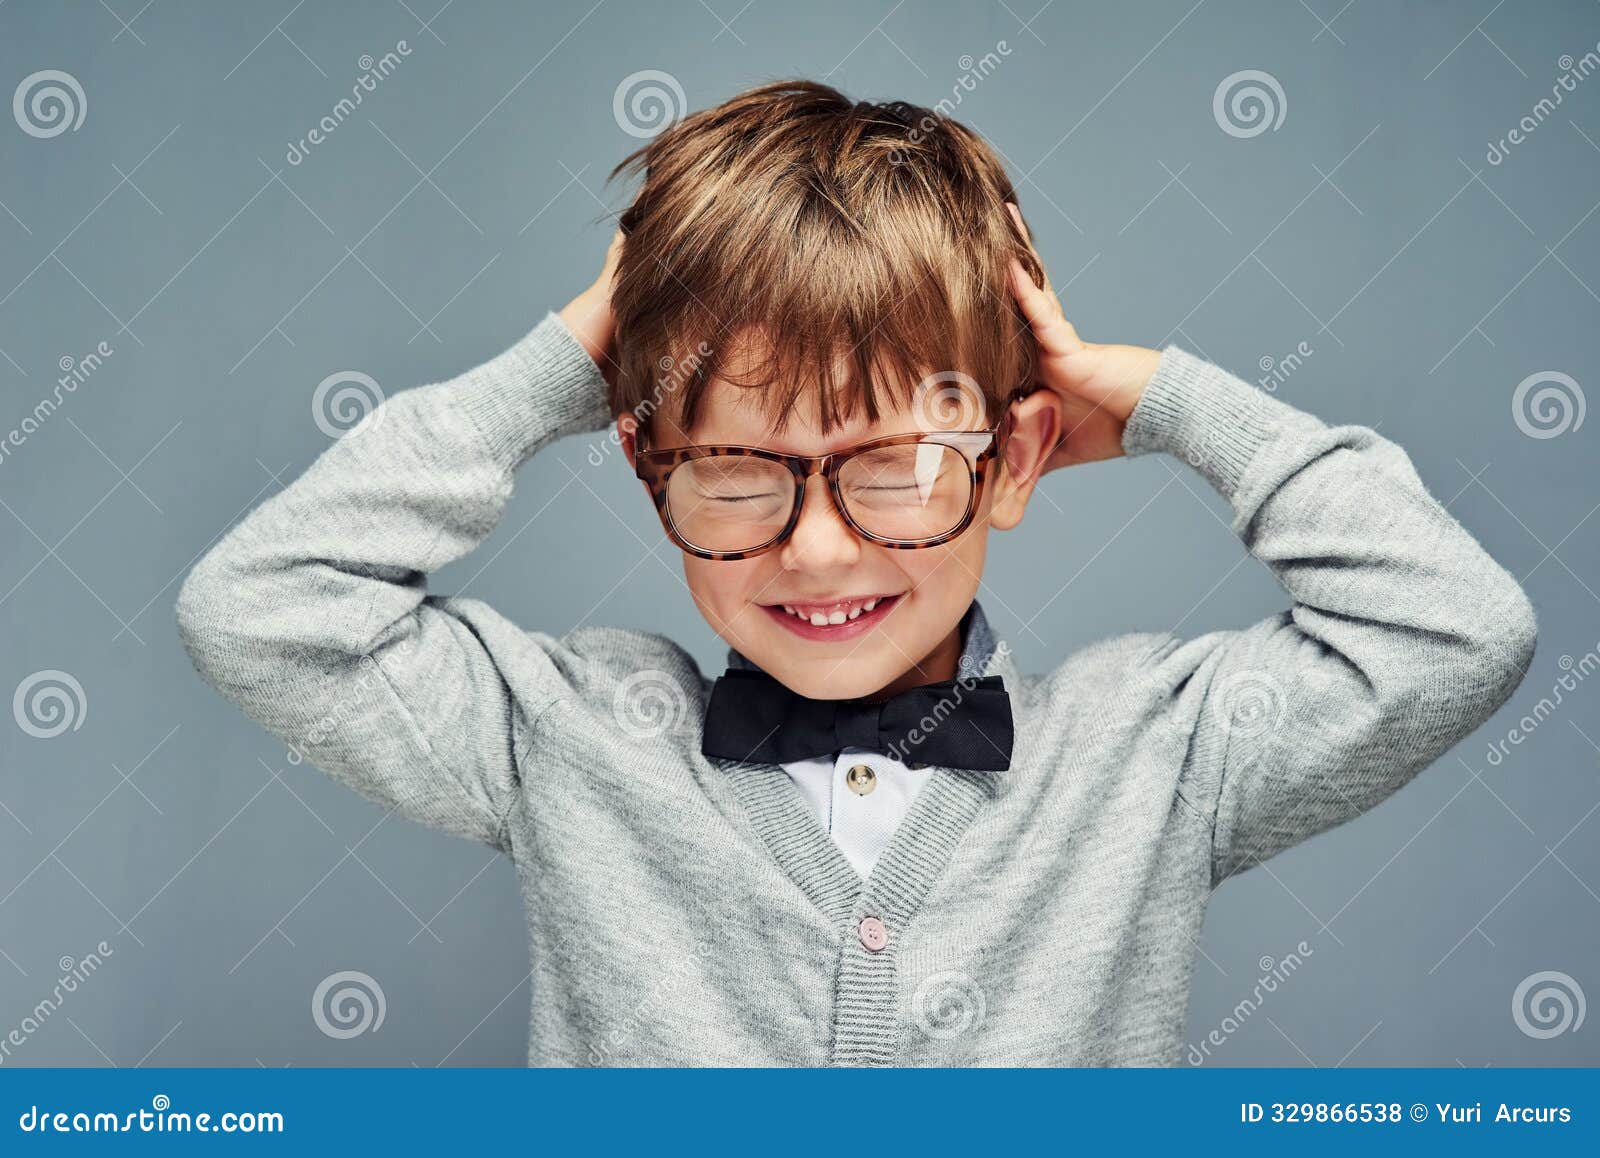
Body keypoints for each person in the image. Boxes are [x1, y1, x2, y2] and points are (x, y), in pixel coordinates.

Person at [177, 81, 1537, 1065]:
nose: (817, 547)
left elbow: (1453, 628)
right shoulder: (570, 735)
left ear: (1014, 461)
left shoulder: (1154, 753)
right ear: (651, 470)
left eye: (894, 465)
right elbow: (261, 608)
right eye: (739, 471)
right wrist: (564, 366)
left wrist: (1168, 399)